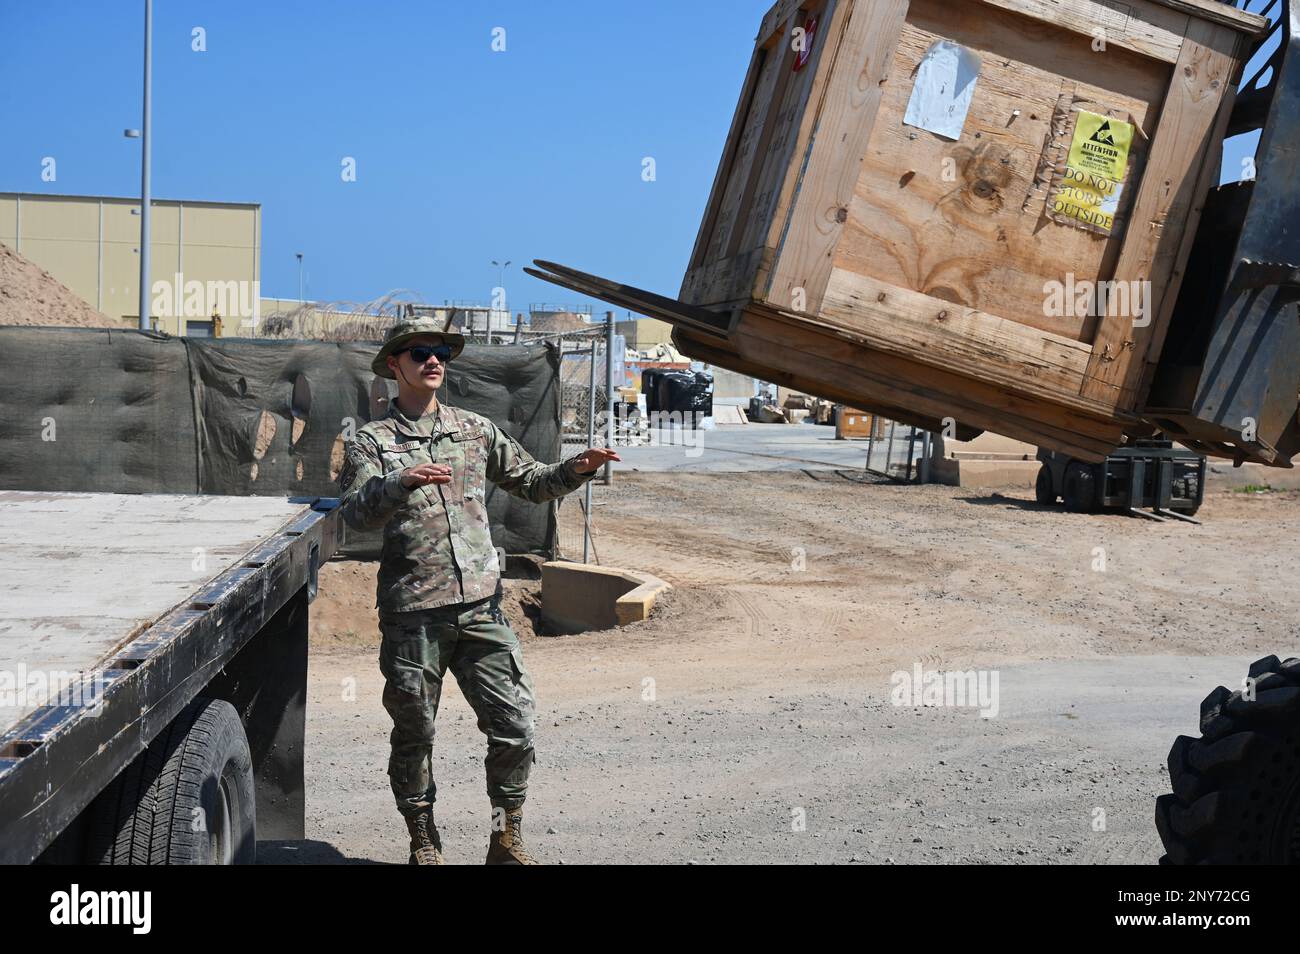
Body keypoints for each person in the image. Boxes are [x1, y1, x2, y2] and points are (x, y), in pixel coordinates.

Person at [337, 316, 620, 865]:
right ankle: (423, 840)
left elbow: (533, 482)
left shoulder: (474, 430)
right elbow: (355, 512)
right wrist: (399, 482)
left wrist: (577, 468)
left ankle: (504, 838)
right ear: (395, 366)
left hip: (482, 610)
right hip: (414, 614)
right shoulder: (372, 441)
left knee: (515, 726)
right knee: (416, 732)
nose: (434, 360)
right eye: (420, 353)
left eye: (440, 351)